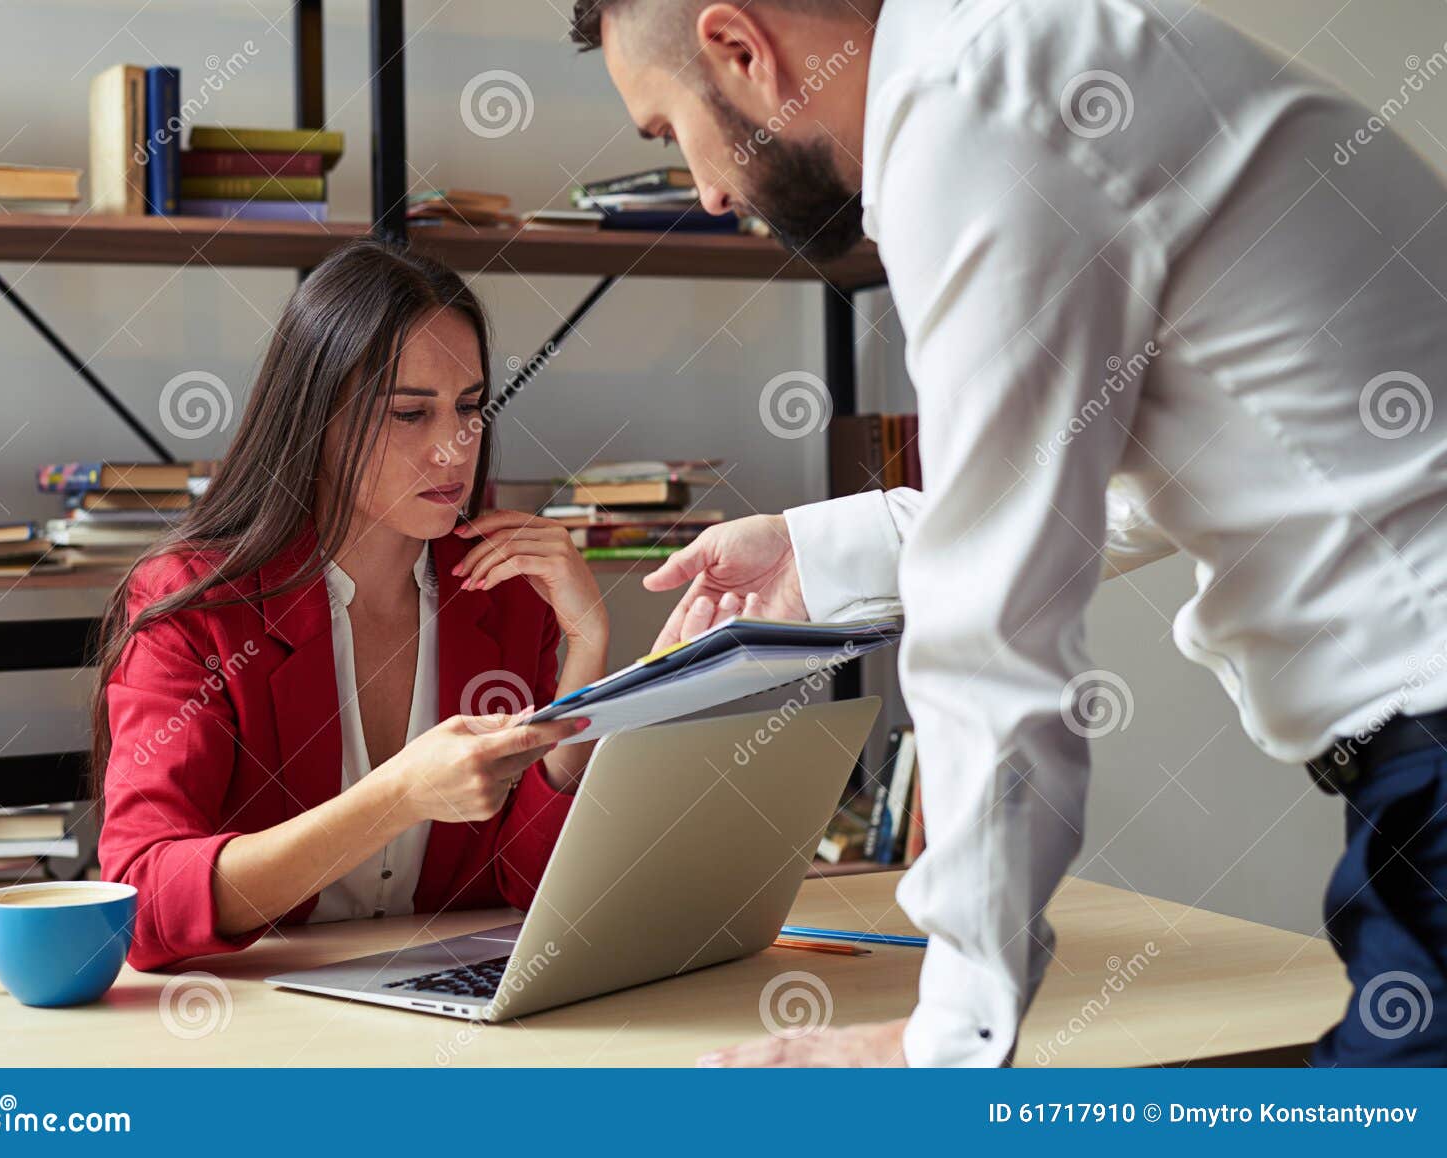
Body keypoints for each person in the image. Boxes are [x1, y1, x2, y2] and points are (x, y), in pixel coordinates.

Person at [573, 0, 1447, 1066]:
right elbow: (1104, 479)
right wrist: (816, 555)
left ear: (738, 47)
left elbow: (995, 619)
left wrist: (937, 1045)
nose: (705, 192)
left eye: (670, 134)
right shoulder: (1011, 61)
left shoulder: (971, 107)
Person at [93, 238, 607, 971]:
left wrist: (584, 660)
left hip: (446, 1010)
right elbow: (139, 901)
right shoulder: (194, 605)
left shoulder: (504, 591)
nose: (453, 451)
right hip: (254, 1017)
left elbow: (518, 882)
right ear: (316, 419)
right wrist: (396, 797)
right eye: (408, 414)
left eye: (468, 408)